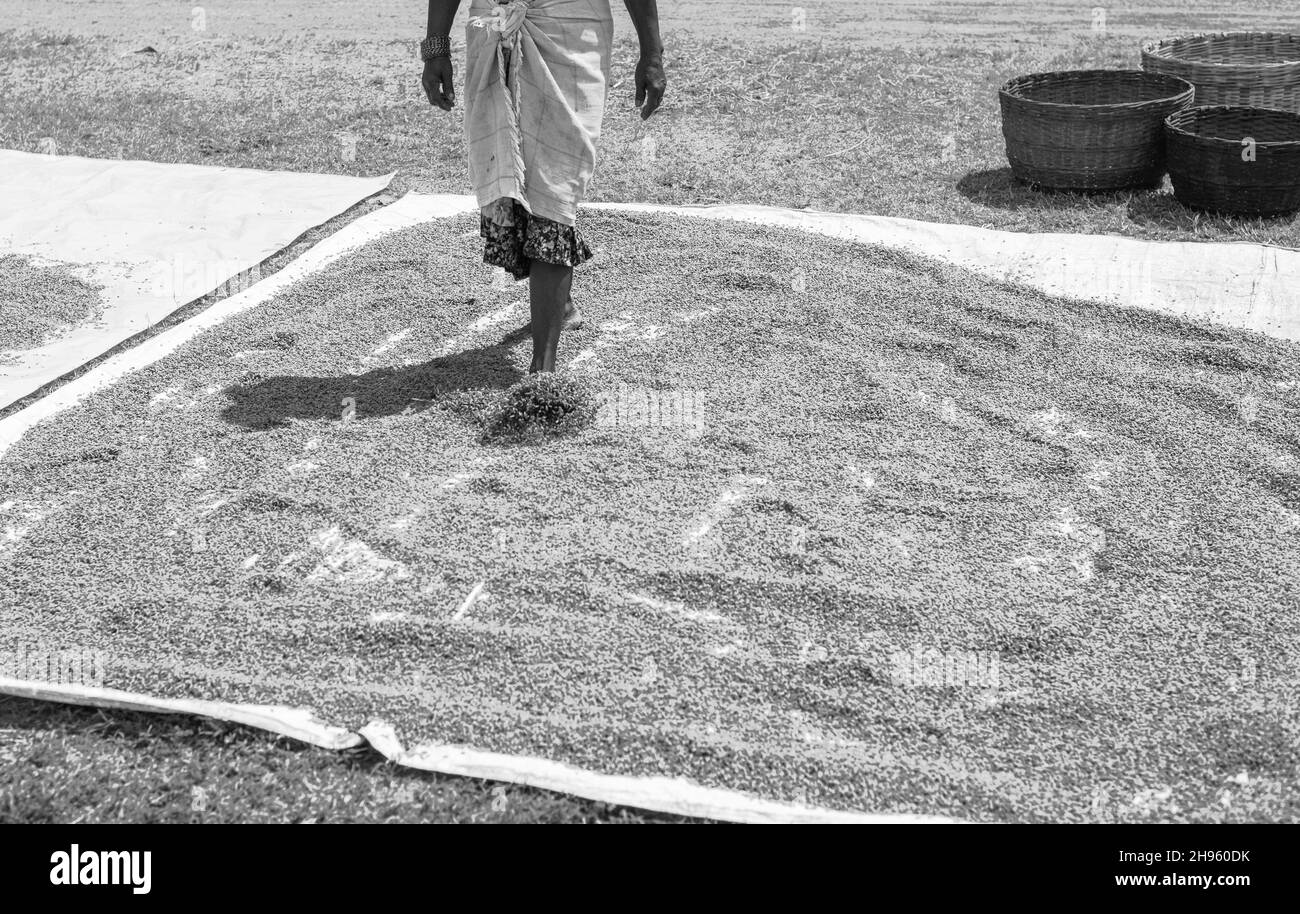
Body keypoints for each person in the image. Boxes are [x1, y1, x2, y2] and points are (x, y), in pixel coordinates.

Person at [422, 0, 666, 373]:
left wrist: (651, 52)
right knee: (509, 176)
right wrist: (434, 45)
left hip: (569, 31)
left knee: (555, 187)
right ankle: (558, 303)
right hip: (494, 28)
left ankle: (543, 370)